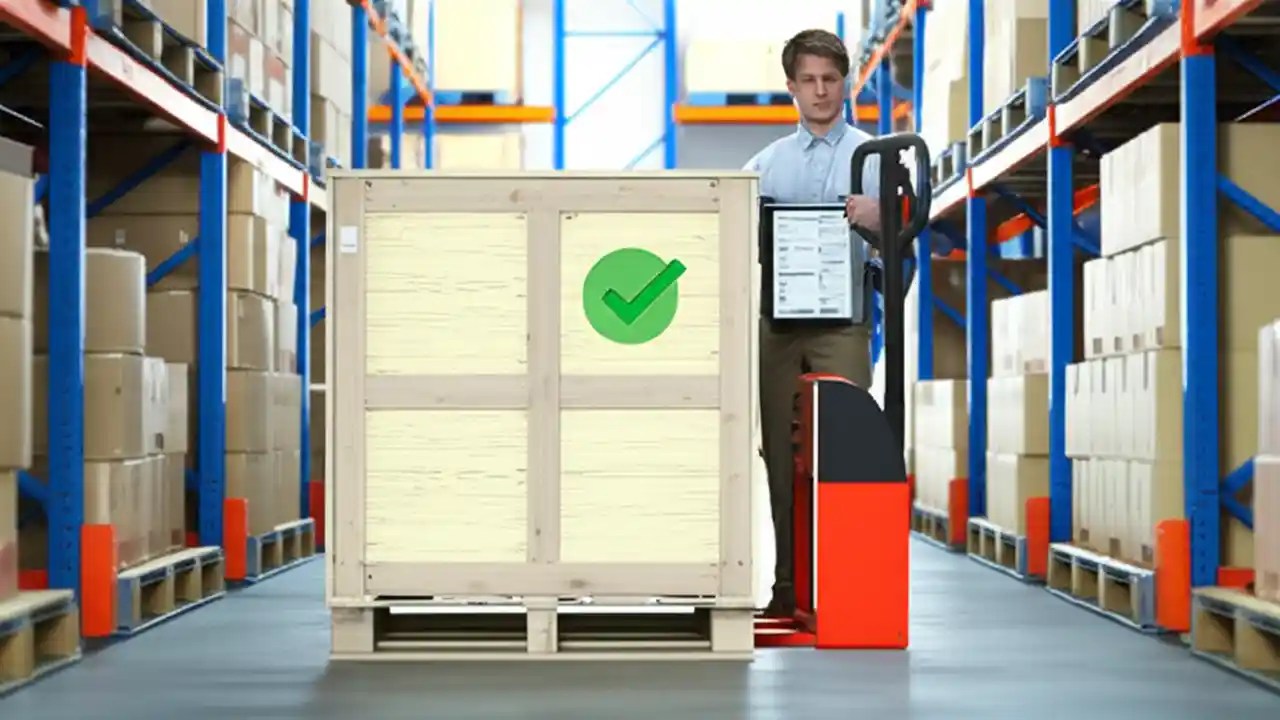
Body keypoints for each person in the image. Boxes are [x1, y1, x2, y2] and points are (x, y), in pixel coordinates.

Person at [743, 28, 883, 618]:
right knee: (780, 457)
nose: (821, 91)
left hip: (841, 328)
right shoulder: (763, 167)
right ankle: (787, 588)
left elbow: (910, 237)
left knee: (846, 453)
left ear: (846, 81)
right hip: (779, 330)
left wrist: (884, 217)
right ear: (791, 87)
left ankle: (844, 586)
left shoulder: (877, 159)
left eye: (831, 79)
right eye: (809, 80)